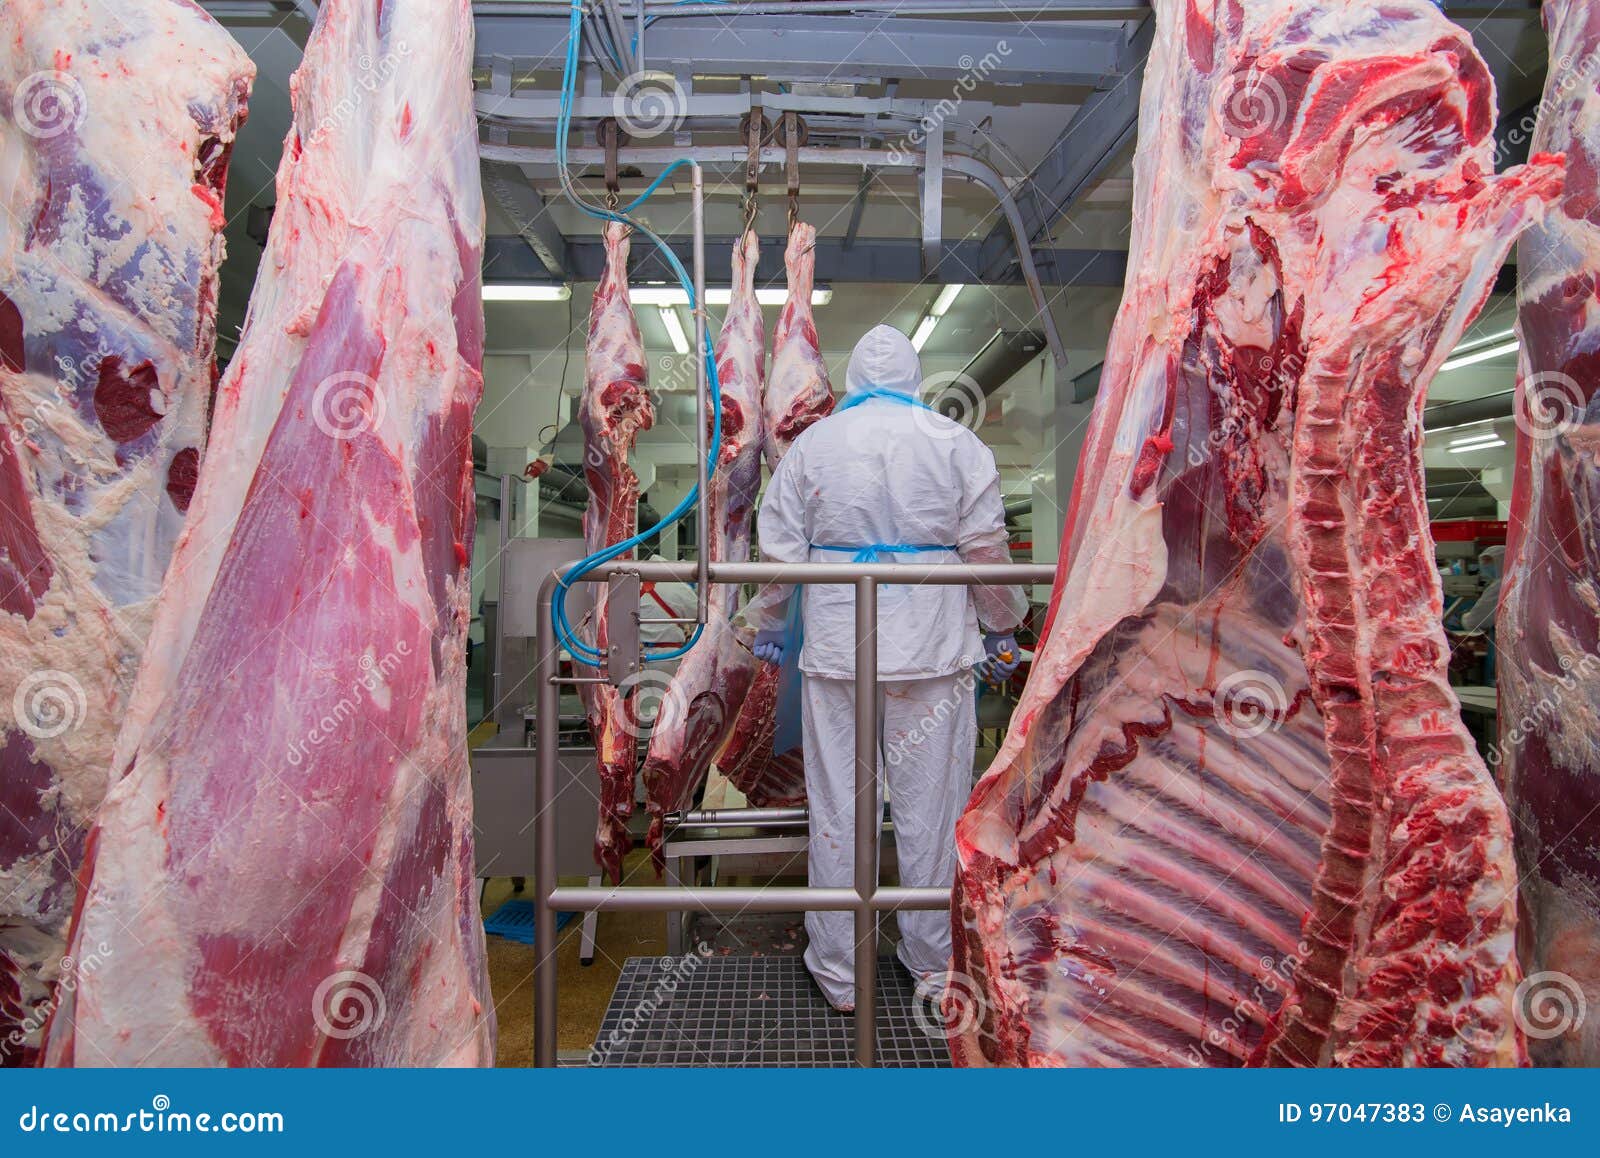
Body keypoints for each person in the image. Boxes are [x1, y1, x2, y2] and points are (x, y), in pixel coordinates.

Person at [752, 324, 1028, 1011]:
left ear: (850, 380)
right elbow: (986, 548)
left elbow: (779, 550)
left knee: (839, 808)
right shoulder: (956, 441)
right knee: (929, 808)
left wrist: (769, 625)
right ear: (915, 376)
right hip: (931, 649)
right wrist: (1001, 627)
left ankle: (841, 972)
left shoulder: (816, 444)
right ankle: (932, 962)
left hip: (840, 648)